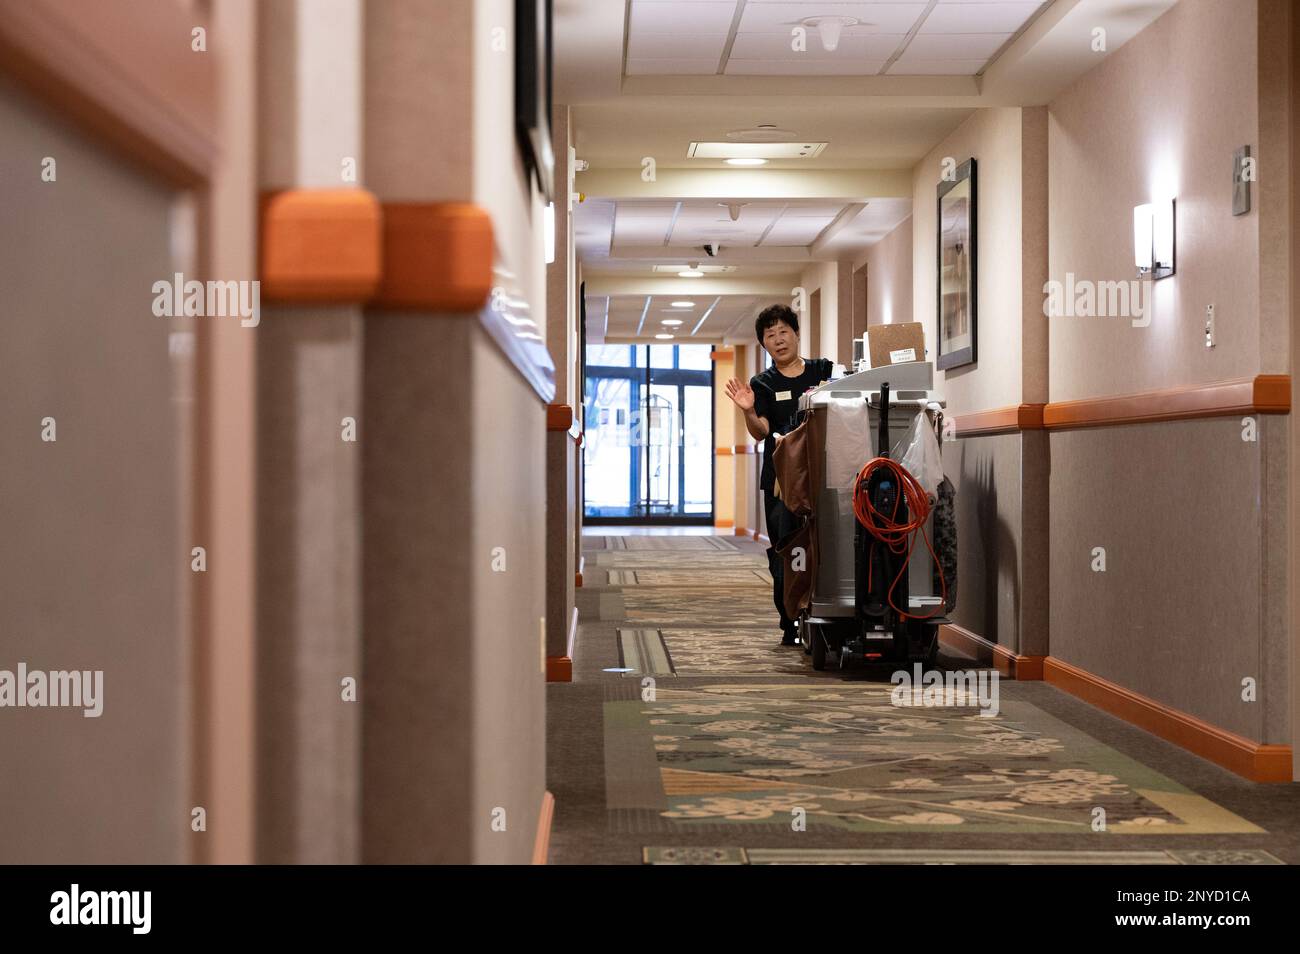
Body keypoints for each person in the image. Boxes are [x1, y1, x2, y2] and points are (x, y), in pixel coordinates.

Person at [724, 304, 832, 646]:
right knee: (787, 547)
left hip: (822, 475)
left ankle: (825, 610)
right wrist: (749, 410)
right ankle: (790, 619)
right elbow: (760, 433)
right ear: (764, 345)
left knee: (827, 543)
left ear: (796, 334)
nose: (778, 339)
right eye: (770, 336)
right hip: (781, 480)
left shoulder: (823, 370)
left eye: (783, 331)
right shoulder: (763, 383)